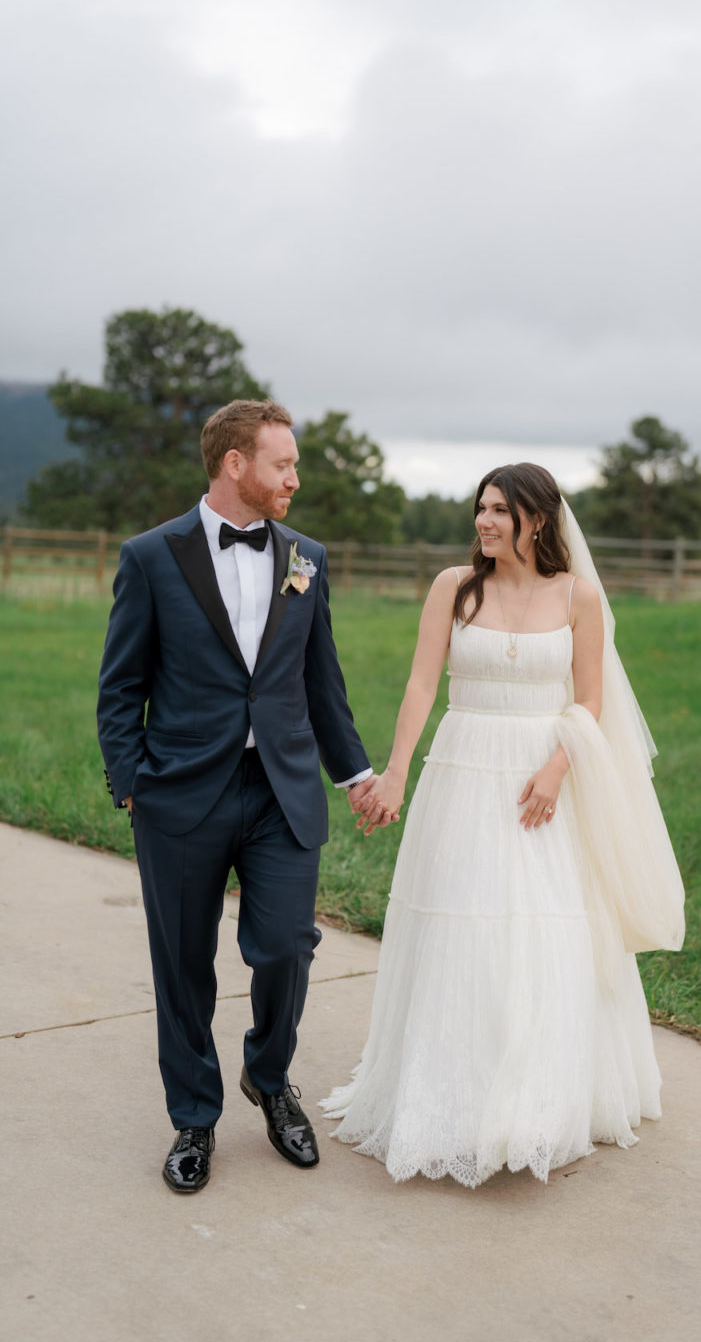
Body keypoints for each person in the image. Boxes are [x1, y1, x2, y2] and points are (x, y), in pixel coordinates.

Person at [322, 462, 685, 1187]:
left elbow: (590, 699)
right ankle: (451, 1097)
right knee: (460, 924)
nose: (485, 522)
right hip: (462, 770)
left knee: (541, 929)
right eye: (481, 509)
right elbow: (423, 682)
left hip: (540, 780)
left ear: (538, 521)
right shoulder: (453, 587)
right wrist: (395, 771)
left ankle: (534, 1105)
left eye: (500, 511)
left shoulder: (580, 597)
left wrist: (556, 769)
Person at [97, 399, 383, 1194]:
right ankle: (194, 1115)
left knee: (287, 944)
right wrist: (132, 787)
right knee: (182, 964)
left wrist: (356, 775)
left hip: (281, 790)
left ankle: (270, 1074)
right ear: (235, 465)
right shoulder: (152, 557)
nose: (296, 477)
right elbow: (120, 687)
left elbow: (322, 685)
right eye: (283, 463)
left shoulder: (307, 558)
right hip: (181, 795)